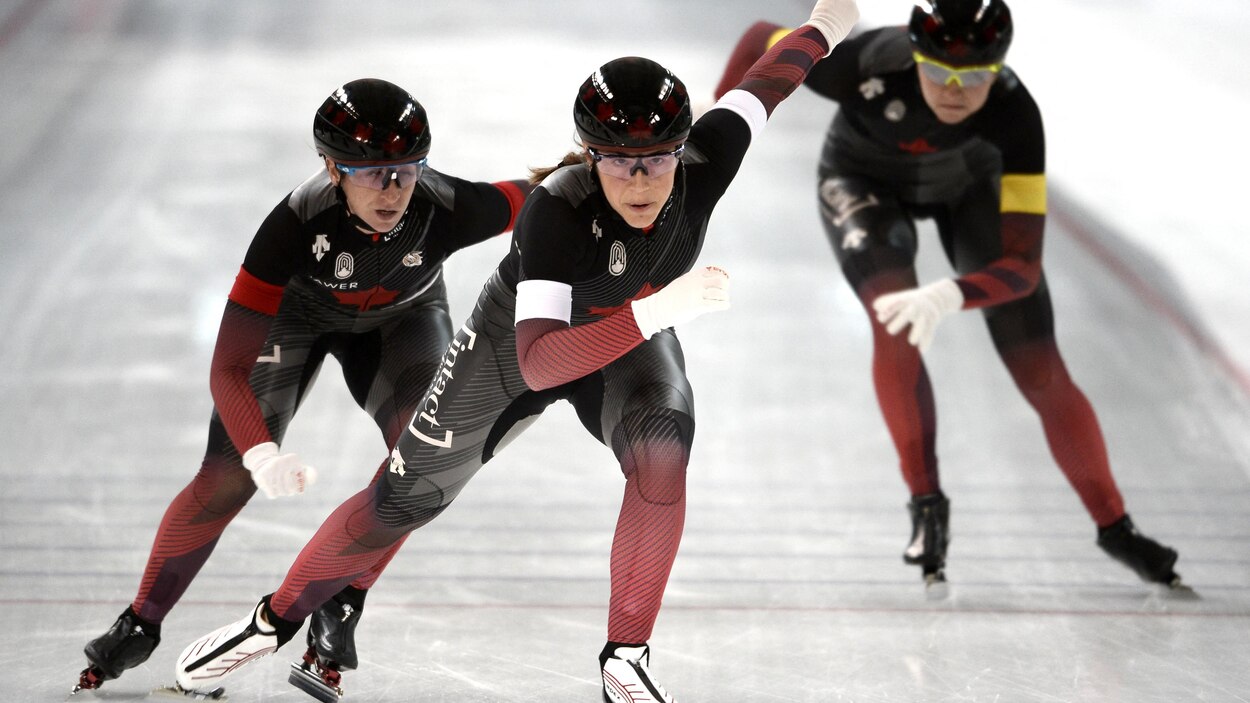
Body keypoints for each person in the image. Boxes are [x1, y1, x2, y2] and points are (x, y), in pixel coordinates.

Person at [166, 2, 861, 701]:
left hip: (626, 338)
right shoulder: (557, 209)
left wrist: (828, 24)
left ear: (683, 151)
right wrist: (659, 309)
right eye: (620, 163)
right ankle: (273, 619)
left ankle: (626, 654)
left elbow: (770, 78)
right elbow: (541, 362)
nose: (643, 180)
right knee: (404, 498)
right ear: (592, 157)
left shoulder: (712, 155)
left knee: (663, 449)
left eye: (657, 160)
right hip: (517, 347)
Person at [73, 78, 533, 695]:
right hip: (299, 317)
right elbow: (227, 370)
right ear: (330, 168)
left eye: (404, 169)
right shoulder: (292, 224)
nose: (392, 188)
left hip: (404, 320)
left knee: (421, 465)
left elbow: (553, 195)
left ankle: (342, 601)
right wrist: (262, 456)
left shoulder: (447, 205)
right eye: (370, 173)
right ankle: (140, 623)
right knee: (229, 473)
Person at [713, 0, 1186, 592]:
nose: (955, 90)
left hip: (968, 190)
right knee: (894, 319)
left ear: (1001, 71)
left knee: (1040, 366)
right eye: (939, 73)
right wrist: (711, 145)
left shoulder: (1016, 115)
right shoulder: (862, 63)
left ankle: (1116, 527)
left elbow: (1022, 266)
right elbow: (762, 37)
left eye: (976, 78)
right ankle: (926, 503)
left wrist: (951, 294)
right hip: (861, 181)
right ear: (915, 58)